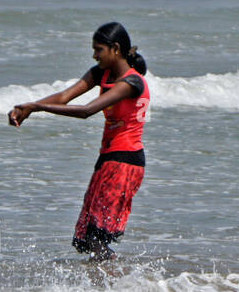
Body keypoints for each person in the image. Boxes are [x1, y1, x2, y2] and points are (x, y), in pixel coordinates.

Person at [9, 22, 150, 260]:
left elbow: (87, 111)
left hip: (125, 161)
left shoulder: (132, 83)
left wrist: (37, 107)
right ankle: (106, 287)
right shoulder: (100, 73)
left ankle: (117, 285)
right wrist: (29, 108)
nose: (94, 55)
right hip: (108, 159)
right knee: (87, 237)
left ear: (115, 48)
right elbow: (64, 97)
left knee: (98, 235)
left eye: (98, 49)